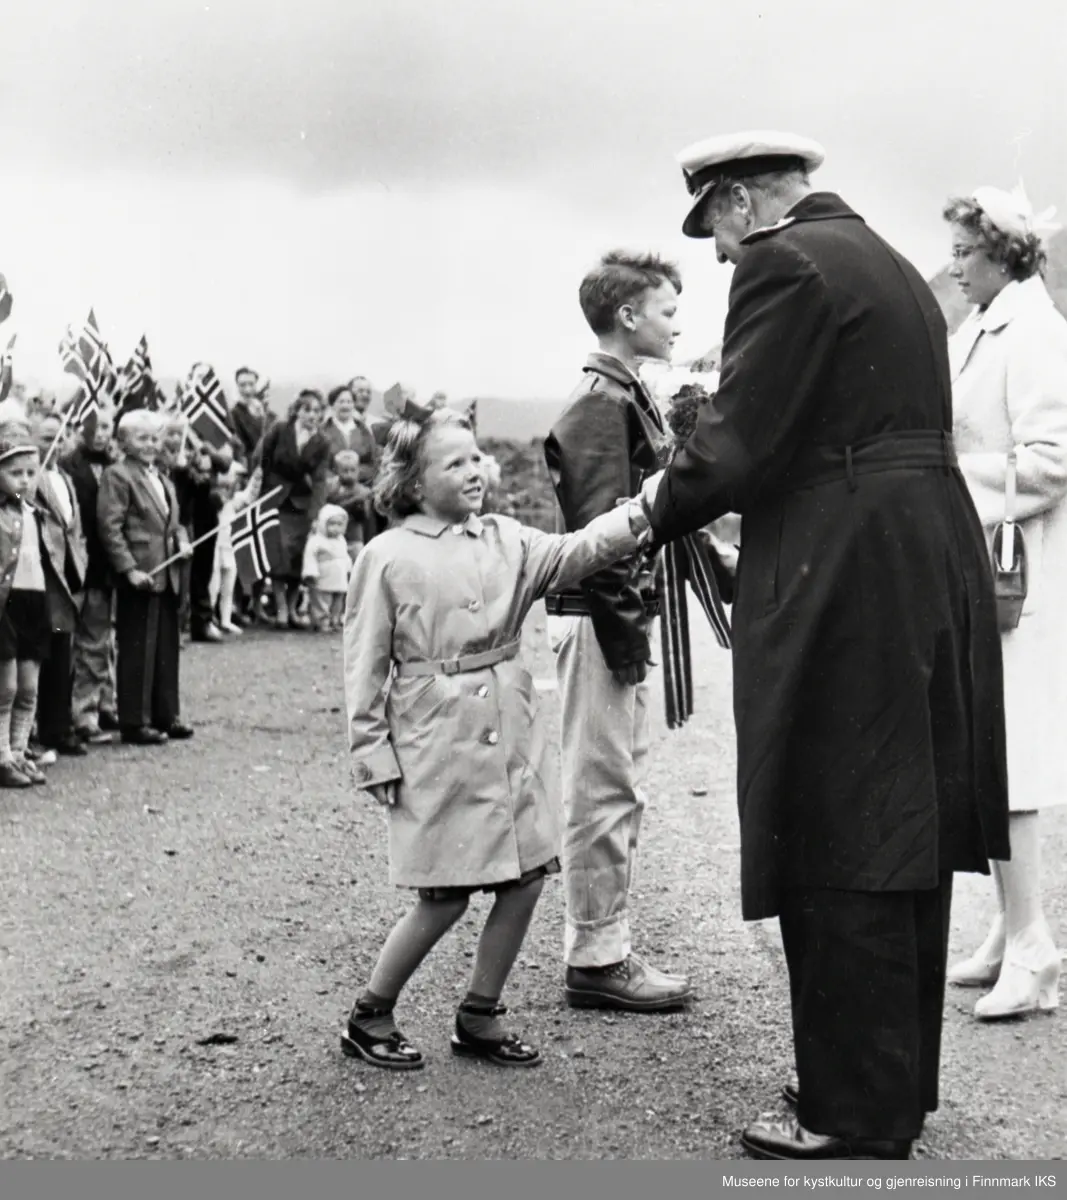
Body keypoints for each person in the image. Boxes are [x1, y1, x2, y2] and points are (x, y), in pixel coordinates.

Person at [647, 131, 1010, 1161]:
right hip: (917, 550)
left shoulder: (779, 260)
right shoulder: (885, 259)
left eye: (711, 228)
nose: (717, 257)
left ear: (735, 200)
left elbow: (735, 442)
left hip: (842, 565)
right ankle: (884, 1093)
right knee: (894, 826)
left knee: (833, 824)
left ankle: (844, 1111)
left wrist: (647, 516)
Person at [341, 408, 662, 1070]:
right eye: (451, 462)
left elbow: (578, 549)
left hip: (509, 731)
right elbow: (363, 663)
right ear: (410, 480)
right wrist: (372, 751)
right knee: (444, 894)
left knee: (525, 878)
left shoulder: (507, 539)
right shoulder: (387, 555)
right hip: (436, 741)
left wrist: (642, 511)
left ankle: (479, 1013)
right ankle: (370, 1013)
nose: (473, 470)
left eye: (476, 456)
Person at [542, 251, 692, 1012]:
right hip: (599, 617)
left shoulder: (623, 394)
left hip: (611, 615)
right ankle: (596, 957)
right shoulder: (601, 401)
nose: (678, 322)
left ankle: (606, 941)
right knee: (601, 789)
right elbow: (601, 536)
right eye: (667, 310)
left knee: (616, 786)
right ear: (628, 317)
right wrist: (629, 636)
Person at [942, 185, 1067, 1020]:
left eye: (961, 250)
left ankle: (1034, 950)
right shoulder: (986, 326)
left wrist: (945, 478)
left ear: (1001, 252)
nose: (951, 264)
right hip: (987, 566)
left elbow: (1052, 460)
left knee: (1010, 758)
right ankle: (1008, 927)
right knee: (989, 753)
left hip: (1019, 574)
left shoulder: (1035, 333)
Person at [97, 410, 195, 746]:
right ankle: (134, 721)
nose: (151, 444)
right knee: (138, 648)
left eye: (155, 437)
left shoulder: (162, 477)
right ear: (123, 442)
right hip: (141, 572)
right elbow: (110, 526)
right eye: (142, 438)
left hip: (168, 571)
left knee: (166, 646)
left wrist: (182, 539)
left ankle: (165, 715)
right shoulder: (118, 475)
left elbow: (173, 522)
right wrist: (128, 568)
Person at [30, 411, 89, 758]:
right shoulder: (28, 480)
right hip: (40, 576)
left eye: (61, 435)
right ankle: (39, 729)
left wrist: (79, 564)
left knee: (63, 654)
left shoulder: (65, 479)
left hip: (67, 578)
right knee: (40, 654)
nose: (55, 442)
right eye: (46, 436)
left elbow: (74, 528)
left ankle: (58, 726)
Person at [62, 407, 120, 744]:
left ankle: (91, 710)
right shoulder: (68, 466)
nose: (100, 433)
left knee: (98, 643)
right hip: (71, 570)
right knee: (66, 642)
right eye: (94, 426)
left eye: (107, 427)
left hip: (101, 570)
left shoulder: (115, 469)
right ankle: (63, 712)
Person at [0, 422, 52, 787]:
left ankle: (19, 752)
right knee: (6, 687)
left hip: (35, 601)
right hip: (6, 604)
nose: (24, 480)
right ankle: (1, 756)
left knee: (30, 687)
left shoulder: (37, 512)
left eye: (31, 473)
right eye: (15, 472)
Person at [258, 390, 331, 629]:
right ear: (297, 410)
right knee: (280, 553)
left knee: (300, 556)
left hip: (301, 502)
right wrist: (258, 494)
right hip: (275, 499)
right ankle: (279, 608)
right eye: (307, 409)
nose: (312, 415)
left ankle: (291, 608)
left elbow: (320, 479)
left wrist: (316, 513)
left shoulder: (322, 442)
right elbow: (262, 459)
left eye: (317, 411)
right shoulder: (280, 429)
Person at [210, 464, 263, 634]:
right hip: (215, 547)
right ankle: (210, 619)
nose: (231, 486)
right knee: (214, 586)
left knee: (229, 587)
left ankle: (225, 620)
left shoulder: (236, 500)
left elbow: (251, 494)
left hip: (229, 547)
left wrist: (257, 476)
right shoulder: (213, 498)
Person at [300, 503, 352, 632]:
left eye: (339, 524)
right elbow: (310, 557)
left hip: (339, 576)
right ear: (323, 524)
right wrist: (311, 572)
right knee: (322, 600)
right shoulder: (316, 540)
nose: (335, 528)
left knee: (338, 600)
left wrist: (348, 568)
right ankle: (322, 621)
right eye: (332, 524)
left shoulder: (341, 540)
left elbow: (344, 556)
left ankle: (335, 620)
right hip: (323, 575)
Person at [327, 449, 373, 558]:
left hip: (354, 538)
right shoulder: (331, 488)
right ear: (336, 470)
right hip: (333, 537)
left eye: (353, 470)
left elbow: (366, 517)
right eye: (345, 470)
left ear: (358, 470)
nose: (349, 474)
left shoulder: (363, 491)